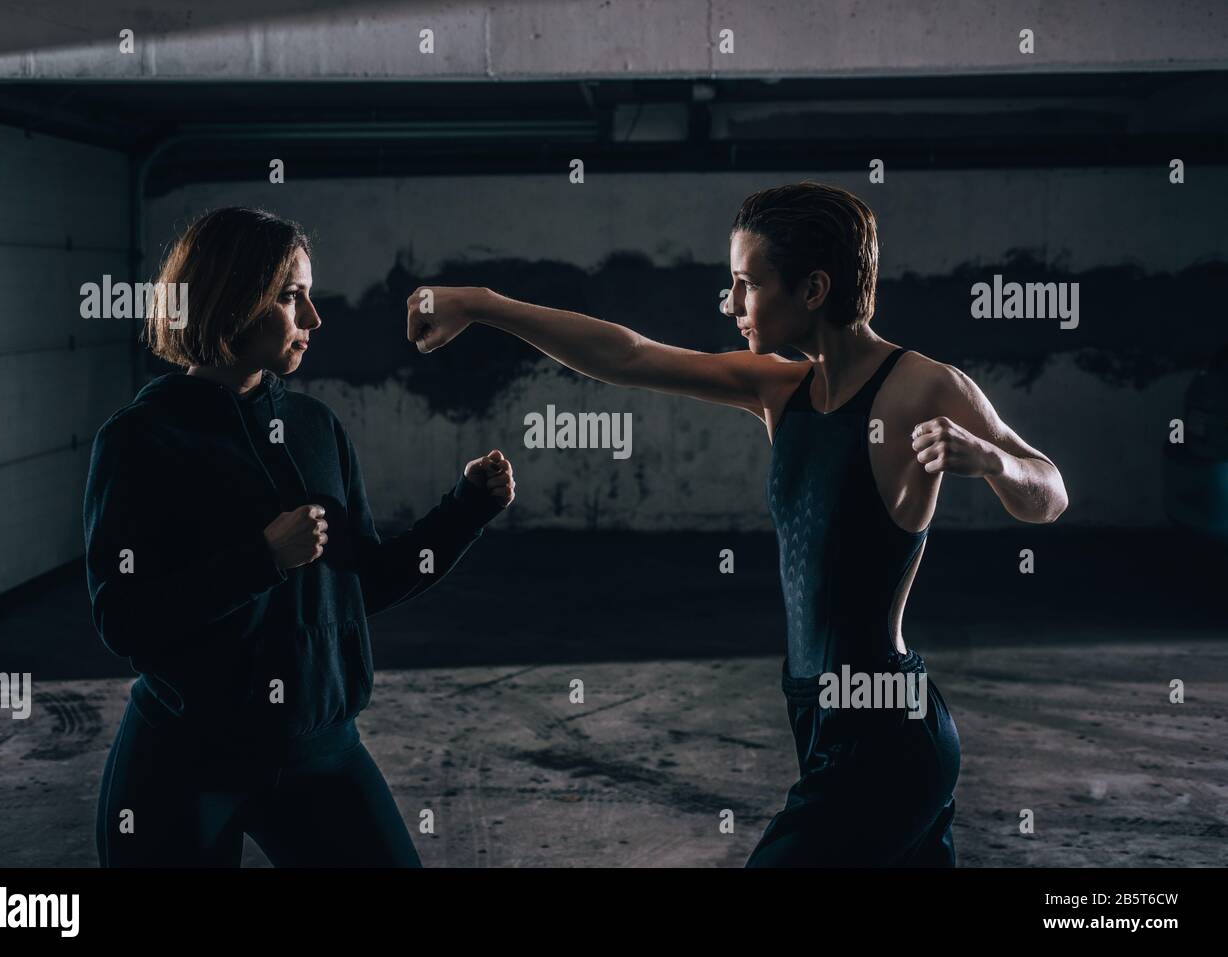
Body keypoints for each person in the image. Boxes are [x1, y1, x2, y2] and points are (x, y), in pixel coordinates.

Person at [405, 182, 1068, 866]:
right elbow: (626, 356)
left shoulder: (926, 386)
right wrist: (481, 305)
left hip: (886, 736)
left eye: (746, 283)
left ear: (813, 289)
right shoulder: (780, 390)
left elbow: (1048, 491)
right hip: (817, 716)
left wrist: (991, 460)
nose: (730, 302)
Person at [84, 207, 515, 867]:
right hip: (184, 761)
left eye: (309, 295)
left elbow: (363, 581)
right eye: (291, 297)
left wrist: (466, 510)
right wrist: (261, 560)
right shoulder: (141, 439)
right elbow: (124, 618)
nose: (313, 318)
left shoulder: (315, 427)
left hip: (320, 751)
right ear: (231, 297)